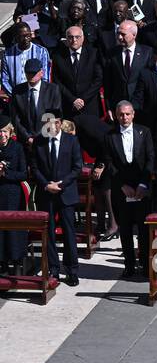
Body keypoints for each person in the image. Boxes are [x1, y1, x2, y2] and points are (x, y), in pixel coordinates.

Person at [95, 101, 154, 280]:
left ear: (133, 114)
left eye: (127, 114)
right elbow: (109, 163)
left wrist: (143, 185)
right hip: (121, 189)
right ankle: (129, 265)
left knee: (144, 231)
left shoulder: (144, 132)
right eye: (121, 114)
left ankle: (144, 264)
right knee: (125, 229)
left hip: (141, 188)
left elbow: (150, 158)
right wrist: (122, 185)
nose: (124, 118)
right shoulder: (109, 135)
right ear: (116, 115)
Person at [31, 116, 82, 287]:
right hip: (47, 194)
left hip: (66, 193)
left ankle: (72, 270)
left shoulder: (71, 140)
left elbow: (77, 167)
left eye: (54, 123)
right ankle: (53, 268)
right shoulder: (39, 141)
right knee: (50, 234)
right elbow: (35, 167)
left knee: (69, 233)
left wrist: (61, 184)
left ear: (60, 124)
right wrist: (46, 185)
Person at [0, 119, 27, 275]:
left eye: (4, 131)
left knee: (14, 230)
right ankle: (2, 263)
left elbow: (23, 173)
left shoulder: (17, 148)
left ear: (10, 133)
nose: (2, 135)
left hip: (13, 194)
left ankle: (17, 263)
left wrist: (5, 173)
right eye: (0, 132)